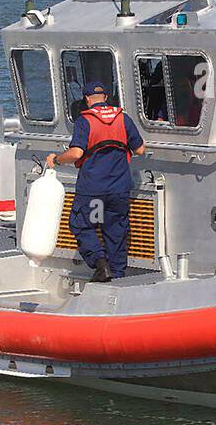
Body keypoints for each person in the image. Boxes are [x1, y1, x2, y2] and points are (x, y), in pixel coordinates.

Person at [46, 81, 145, 282]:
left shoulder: (85, 121)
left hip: (94, 190)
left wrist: (56, 160)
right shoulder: (123, 119)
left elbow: (76, 153)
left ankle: (100, 263)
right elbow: (140, 149)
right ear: (106, 98)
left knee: (82, 225)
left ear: (87, 99)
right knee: (115, 230)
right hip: (119, 189)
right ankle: (117, 275)